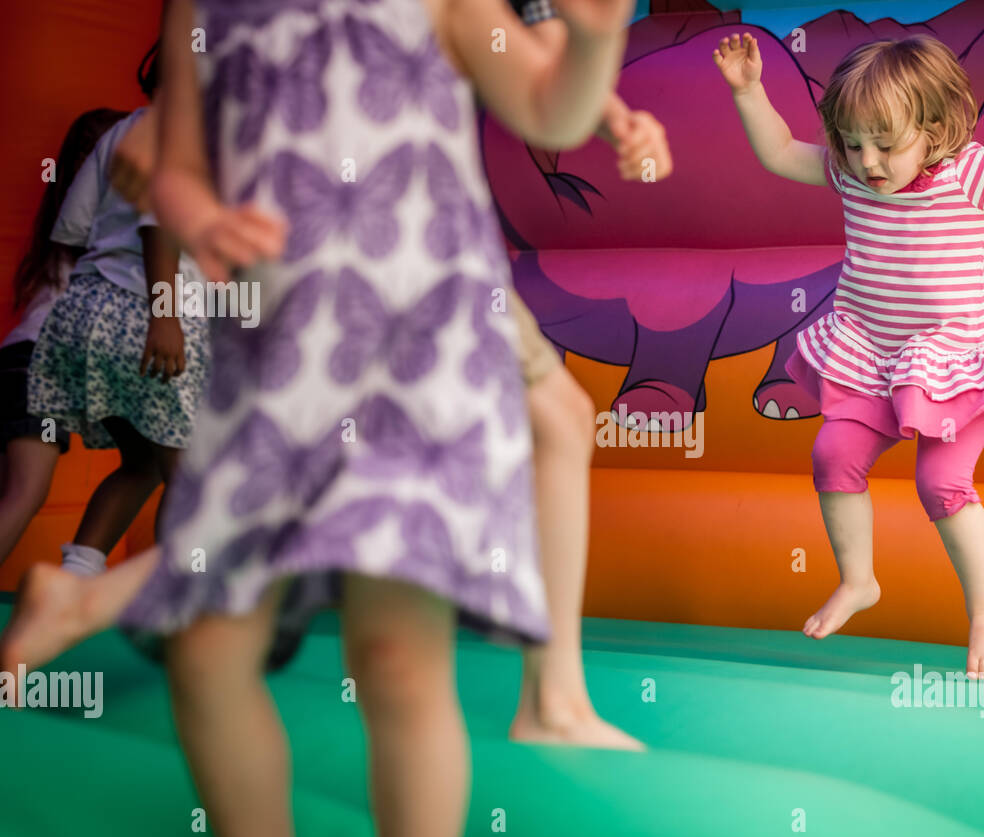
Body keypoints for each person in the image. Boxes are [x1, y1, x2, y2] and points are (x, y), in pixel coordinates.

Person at [4, 0, 666, 753]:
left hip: (399, 235)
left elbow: (534, 71)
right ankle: (552, 703)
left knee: (511, 433)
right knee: (356, 482)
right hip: (381, 241)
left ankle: (87, 599)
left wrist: (601, 93)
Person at [713, 33, 984, 678]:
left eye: (885, 142)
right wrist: (748, 91)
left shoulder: (970, 173)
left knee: (941, 482)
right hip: (870, 351)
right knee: (832, 455)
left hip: (951, 360)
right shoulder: (850, 173)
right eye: (852, 142)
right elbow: (779, 152)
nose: (867, 160)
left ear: (933, 128)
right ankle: (859, 581)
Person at [25, 42, 209, 584]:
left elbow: (74, 230)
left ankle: (73, 582)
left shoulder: (121, 131)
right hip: (147, 313)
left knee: (143, 463)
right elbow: (159, 223)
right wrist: (164, 317)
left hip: (85, 314)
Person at [0, 108, 126, 566]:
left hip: (14, 363)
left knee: (9, 495)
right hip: (39, 372)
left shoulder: (59, 226)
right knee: (26, 495)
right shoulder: (101, 229)